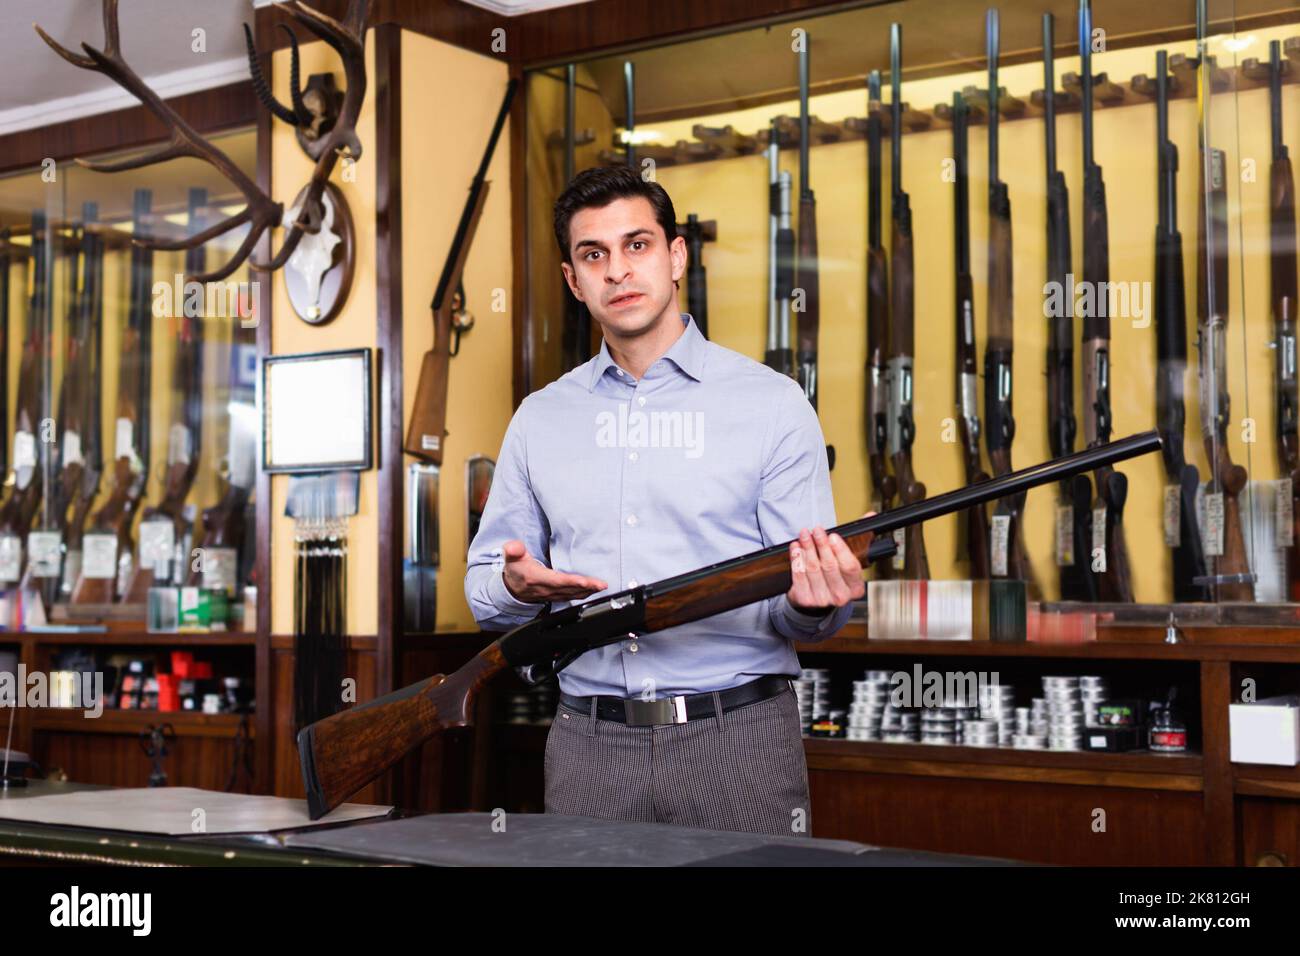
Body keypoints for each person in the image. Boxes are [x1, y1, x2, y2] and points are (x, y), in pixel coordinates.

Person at [465, 165, 870, 836]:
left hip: (738, 741)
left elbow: (804, 617)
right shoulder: (539, 420)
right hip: (587, 745)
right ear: (573, 280)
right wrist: (515, 587)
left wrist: (812, 601)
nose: (618, 271)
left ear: (676, 256)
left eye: (638, 245)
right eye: (593, 255)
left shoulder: (772, 405)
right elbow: (482, 592)